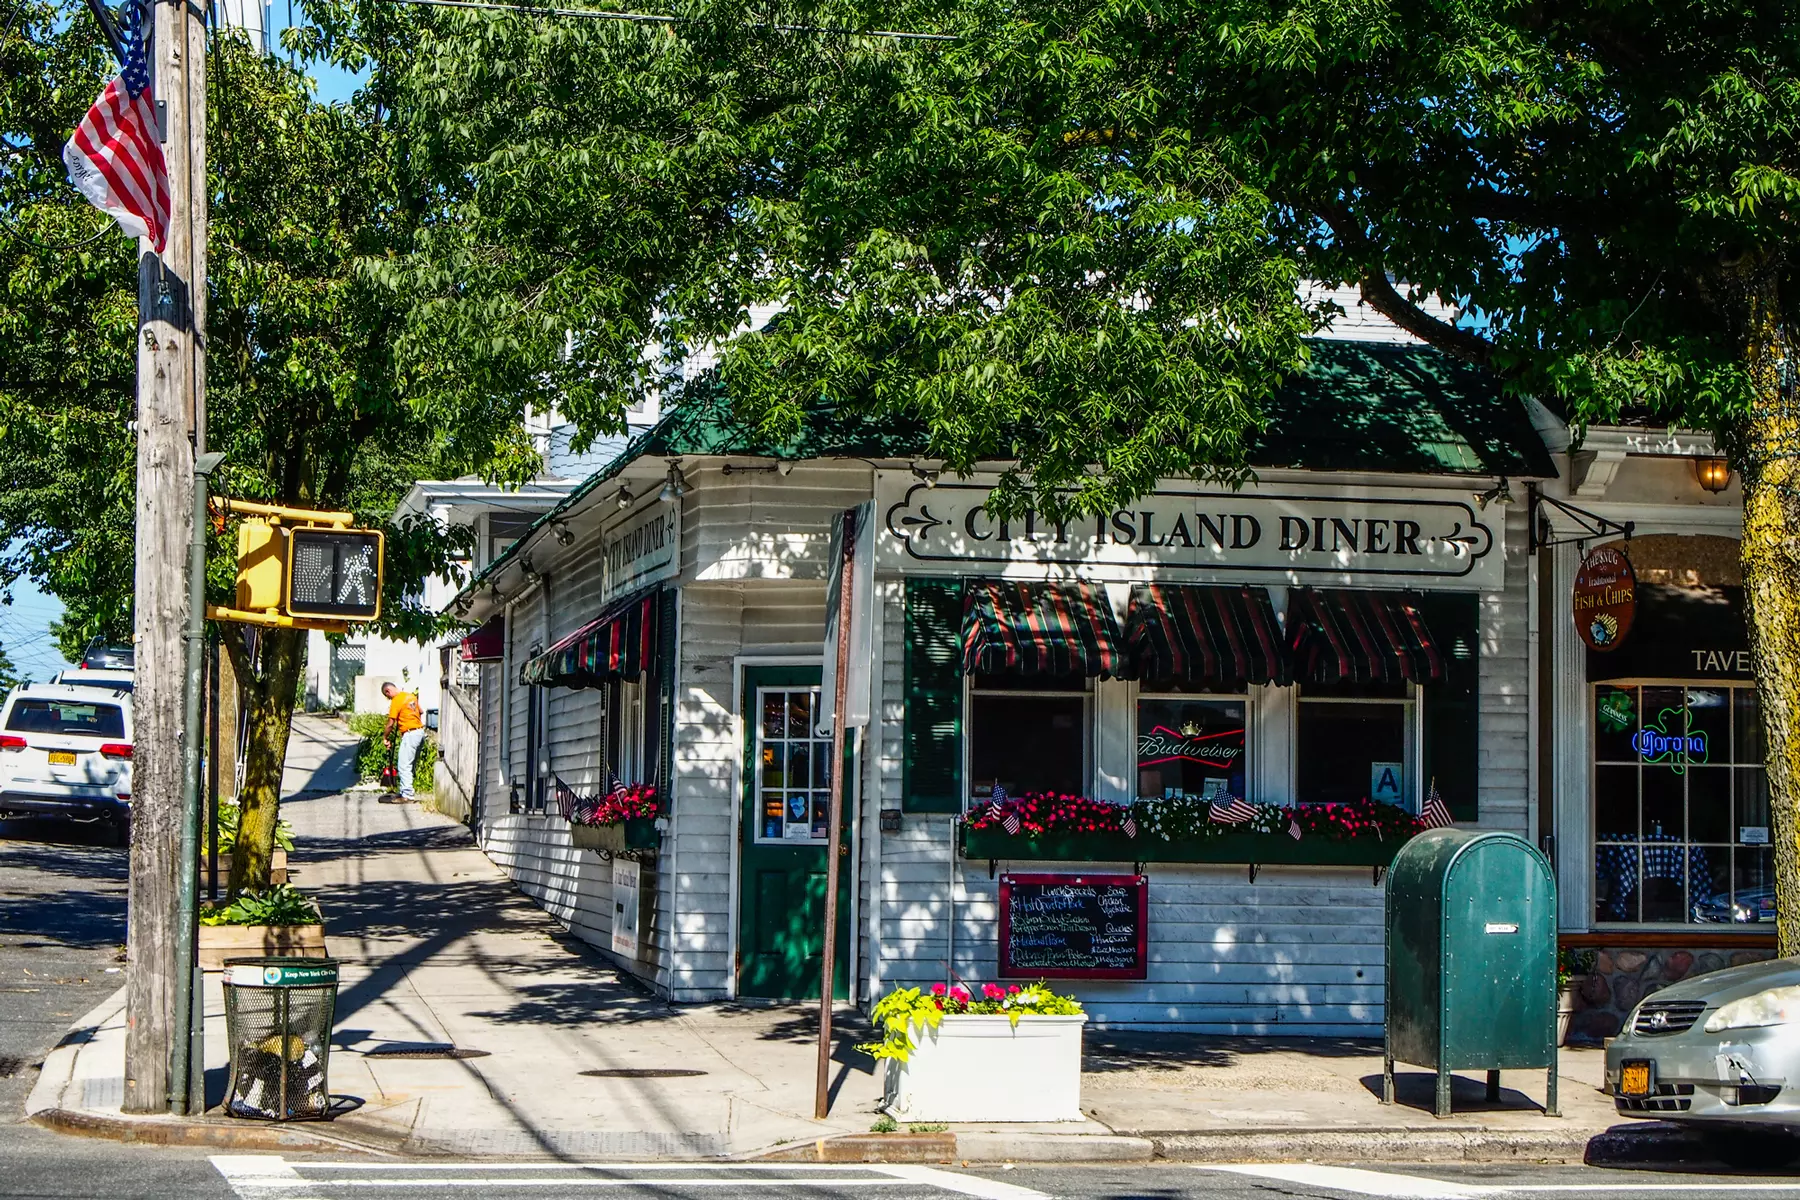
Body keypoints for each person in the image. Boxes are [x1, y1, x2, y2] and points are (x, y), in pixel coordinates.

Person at [381, 681, 426, 803]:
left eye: (387, 696)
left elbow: (390, 724)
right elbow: (420, 711)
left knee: (403, 765)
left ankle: (407, 795)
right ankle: (406, 790)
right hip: (420, 732)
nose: (388, 699)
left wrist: (385, 737)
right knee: (410, 765)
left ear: (388, 691)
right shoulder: (411, 696)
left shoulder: (396, 700)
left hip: (410, 734)